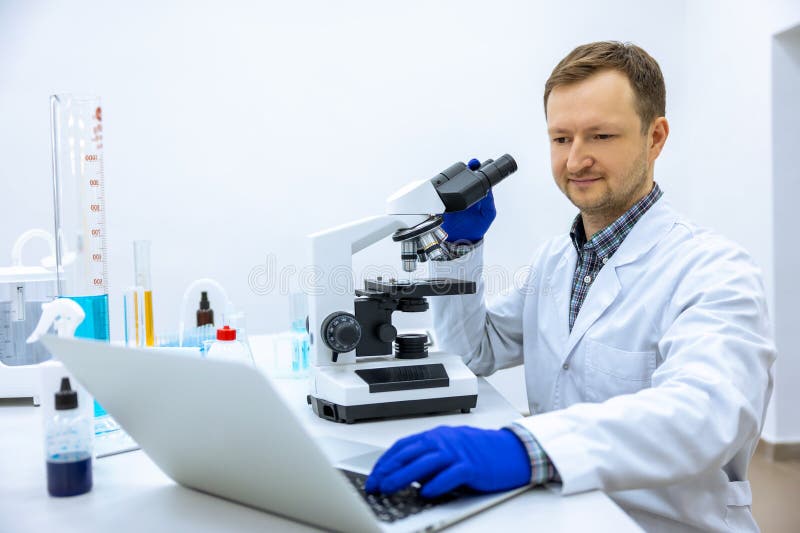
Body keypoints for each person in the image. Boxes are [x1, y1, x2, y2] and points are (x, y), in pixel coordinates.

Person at [365, 41, 775, 532]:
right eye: (561, 139)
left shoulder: (715, 271)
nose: (576, 160)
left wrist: (527, 447)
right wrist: (460, 250)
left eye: (600, 135)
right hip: (560, 513)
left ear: (655, 137)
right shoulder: (557, 260)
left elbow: (704, 415)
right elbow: (473, 353)